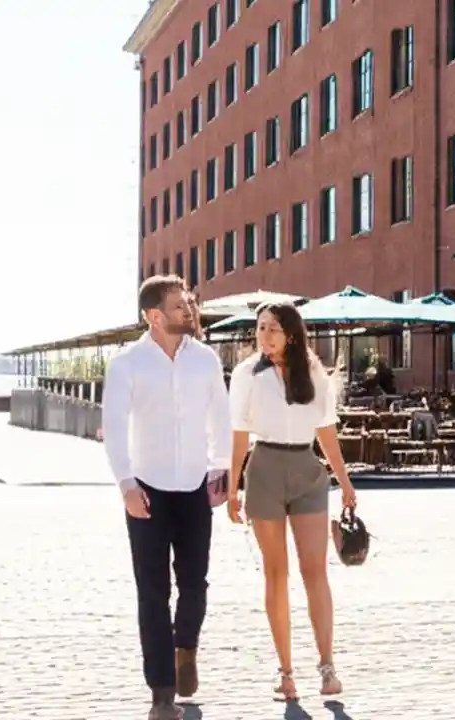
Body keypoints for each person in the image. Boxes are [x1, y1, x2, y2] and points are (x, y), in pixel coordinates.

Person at [101, 275, 231, 720]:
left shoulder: (207, 361)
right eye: (179, 306)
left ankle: (186, 647)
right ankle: (161, 692)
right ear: (153, 316)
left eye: (189, 304)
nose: (189, 311)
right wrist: (125, 485)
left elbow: (221, 415)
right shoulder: (127, 365)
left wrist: (221, 468)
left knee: (195, 584)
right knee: (152, 592)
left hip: (195, 487)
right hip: (147, 492)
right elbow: (114, 427)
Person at [227, 302, 358, 701]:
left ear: (291, 334)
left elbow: (326, 431)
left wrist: (345, 481)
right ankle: (285, 672)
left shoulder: (315, 374)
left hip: (307, 470)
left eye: (272, 329)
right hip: (264, 469)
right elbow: (239, 434)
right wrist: (232, 488)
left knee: (315, 571)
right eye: (260, 327)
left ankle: (327, 666)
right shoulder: (246, 374)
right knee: (276, 574)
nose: (264, 336)